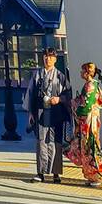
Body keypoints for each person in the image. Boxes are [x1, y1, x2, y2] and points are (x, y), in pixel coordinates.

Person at [23, 48, 72, 183]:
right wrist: (31, 113)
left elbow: (68, 93)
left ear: (55, 59)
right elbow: (30, 94)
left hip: (56, 112)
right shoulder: (37, 75)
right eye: (46, 56)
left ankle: (56, 173)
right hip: (40, 112)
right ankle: (40, 173)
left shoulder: (60, 76)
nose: (48, 59)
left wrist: (60, 99)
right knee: (41, 142)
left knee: (56, 142)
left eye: (51, 57)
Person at [66, 62, 102, 188]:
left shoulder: (91, 86)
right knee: (86, 147)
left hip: (89, 122)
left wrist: (75, 108)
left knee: (92, 147)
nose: (80, 72)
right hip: (87, 122)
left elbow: (86, 106)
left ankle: (98, 176)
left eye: (82, 70)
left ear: (87, 72)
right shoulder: (90, 85)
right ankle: (91, 175)